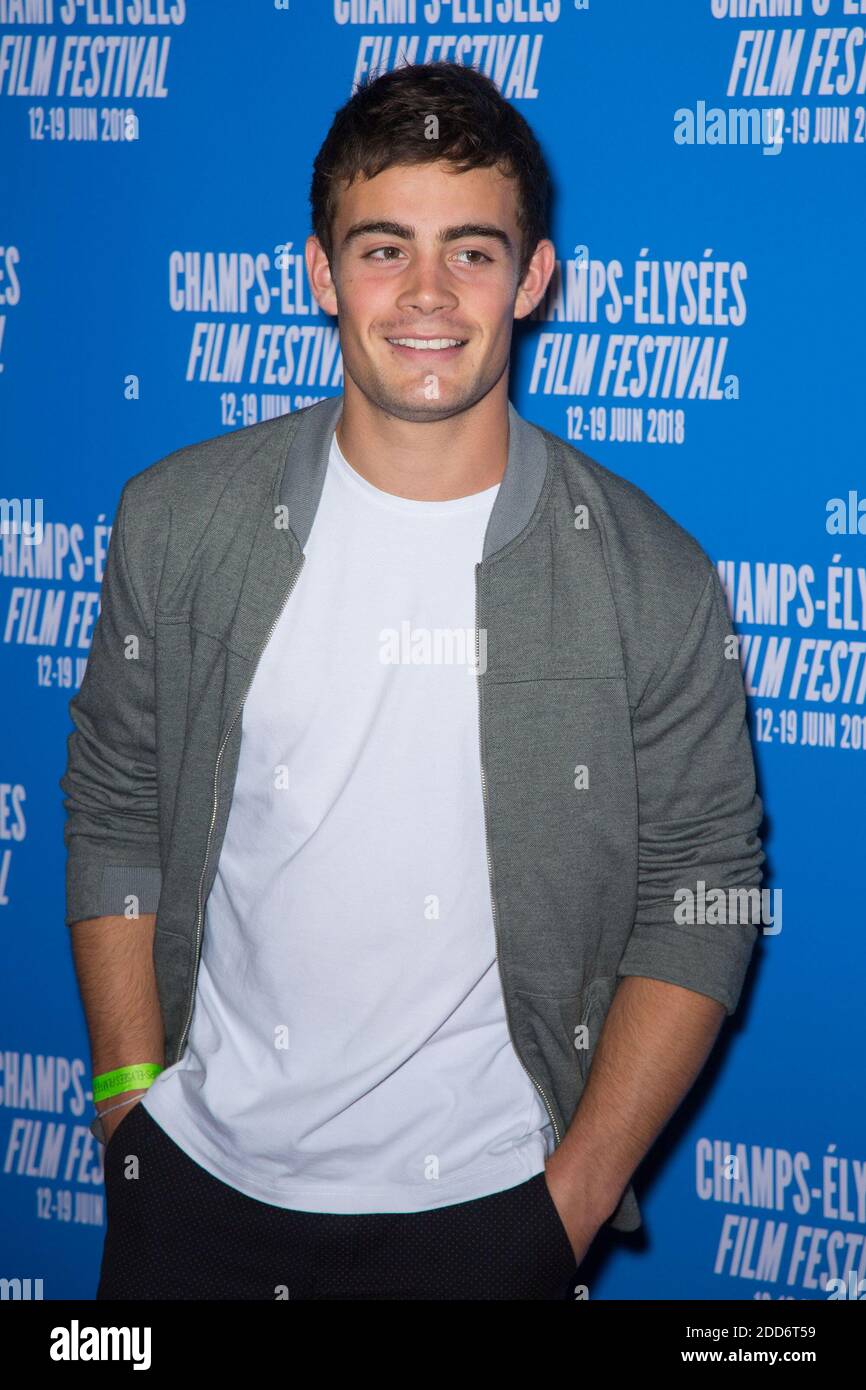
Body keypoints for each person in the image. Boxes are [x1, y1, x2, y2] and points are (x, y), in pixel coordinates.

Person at [61, 61, 765, 1302]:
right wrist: (126, 1105)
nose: (427, 294)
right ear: (320, 274)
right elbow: (116, 806)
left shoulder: (650, 577)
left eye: (471, 252)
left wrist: (571, 1201)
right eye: (383, 249)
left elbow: (704, 892)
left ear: (532, 280)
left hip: (487, 1224)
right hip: (189, 1197)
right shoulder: (175, 522)